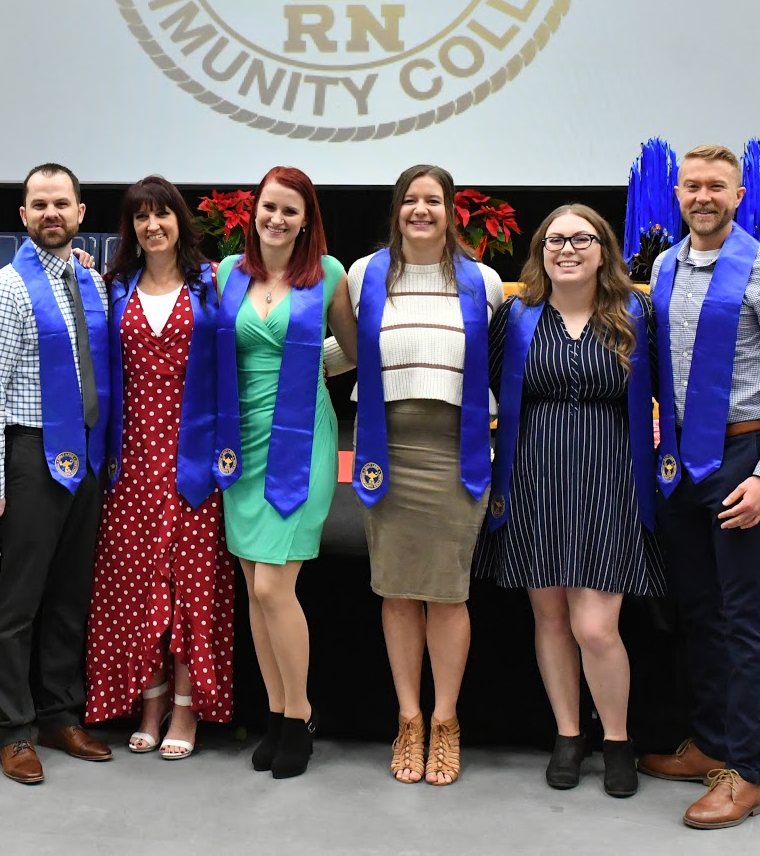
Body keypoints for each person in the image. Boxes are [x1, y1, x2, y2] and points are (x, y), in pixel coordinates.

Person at [636, 145, 760, 829]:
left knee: (745, 616)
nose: (703, 195)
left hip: (743, 457)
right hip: (681, 461)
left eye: (717, 185)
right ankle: (710, 741)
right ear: (677, 194)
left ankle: (747, 772)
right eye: (692, 185)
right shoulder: (663, 266)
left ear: (740, 195)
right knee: (700, 609)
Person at [472, 203, 666, 798]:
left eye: (582, 239)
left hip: (611, 480)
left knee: (596, 626)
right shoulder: (517, 316)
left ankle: (616, 739)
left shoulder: (637, 314)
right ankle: (567, 734)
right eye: (555, 239)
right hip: (534, 478)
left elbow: (665, 390)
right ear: (540, 252)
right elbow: (492, 388)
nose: (568, 249)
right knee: (551, 616)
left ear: (603, 250)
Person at [336, 164, 505, 787]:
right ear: (396, 210)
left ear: (451, 210)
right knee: (398, 588)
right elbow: (351, 354)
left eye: (432, 200)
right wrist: (287, 359)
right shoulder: (364, 275)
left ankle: (445, 720)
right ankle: (408, 718)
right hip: (388, 444)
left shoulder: (482, 282)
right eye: (410, 199)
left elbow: (497, 365)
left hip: (455, 448)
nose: (421, 210)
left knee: (449, 591)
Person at [0, 162, 114, 785]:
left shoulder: (90, 283)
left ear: (81, 214)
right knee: (17, 603)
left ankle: (59, 713)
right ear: (22, 216)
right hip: (27, 457)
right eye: (39, 204)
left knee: (68, 597)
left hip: (82, 458)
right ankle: (14, 730)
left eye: (62, 203)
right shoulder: (5, 287)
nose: (51, 213)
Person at [85, 176, 235, 761]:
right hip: (131, 462)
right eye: (141, 217)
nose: (152, 226)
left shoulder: (213, 283)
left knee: (193, 587)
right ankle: (148, 704)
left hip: (194, 458)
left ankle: (187, 709)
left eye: (162, 214)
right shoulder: (112, 285)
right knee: (138, 585)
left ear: (180, 221)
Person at [214, 165, 356, 779]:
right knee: (254, 585)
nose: (278, 219)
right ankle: (274, 712)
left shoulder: (327, 275)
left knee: (276, 586)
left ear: (307, 220)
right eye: (270, 207)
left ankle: (299, 715)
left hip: (301, 438)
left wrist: (306, 370)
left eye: (291, 211)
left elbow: (352, 349)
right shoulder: (226, 272)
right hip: (239, 443)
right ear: (255, 212)